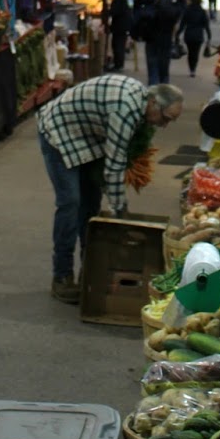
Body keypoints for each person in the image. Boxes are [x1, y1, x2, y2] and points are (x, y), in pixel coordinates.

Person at [37, 77, 184, 303]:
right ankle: (61, 276)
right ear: (154, 103)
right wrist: (120, 212)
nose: (163, 125)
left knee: (91, 203)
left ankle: (90, 269)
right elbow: (114, 166)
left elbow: (116, 158)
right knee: (70, 202)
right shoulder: (125, 111)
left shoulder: (141, 106)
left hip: (88, 136)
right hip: (58, 132)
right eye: (165, 118)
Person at [176, 0, 212, 76]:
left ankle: (191, 67)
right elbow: (206, 25)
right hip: (199, 35)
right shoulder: (202, 12)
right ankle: (193, 69)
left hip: (188, 34)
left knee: (190, 52)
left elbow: (182, 24)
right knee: (196, 53)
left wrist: (177, 34)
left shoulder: (187, 10)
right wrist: (209, 36)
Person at [107, 0, 132, 72]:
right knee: (120, 44)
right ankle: (119, 64)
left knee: (117, 45)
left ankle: (118, 65)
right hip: (124, 25)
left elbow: (115, 11)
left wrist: (108, 12)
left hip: (119, 25)